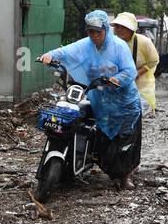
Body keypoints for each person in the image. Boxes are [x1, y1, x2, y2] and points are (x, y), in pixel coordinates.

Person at [39, 10, 142, 189]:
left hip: (124, 102)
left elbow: (130, 71)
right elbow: (65, 52)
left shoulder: (119, 46)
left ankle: (125, 176)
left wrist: (117, 79)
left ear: (105, 30)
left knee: (125, 141)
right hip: (100, 98)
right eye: (90, 32)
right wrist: (50, 55)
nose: (94, 36)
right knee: (102, 137)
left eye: (98, 32)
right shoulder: (85, 45)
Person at [111, 12, 160, 113]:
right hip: (118, 82)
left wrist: (138, 73)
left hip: (141, 84)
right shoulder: (112, 43)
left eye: (123, 27)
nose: (119, 30)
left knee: (137, 111)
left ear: (131, 28)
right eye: (117, 27)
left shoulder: (144, 42)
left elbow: (154, 60)